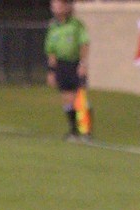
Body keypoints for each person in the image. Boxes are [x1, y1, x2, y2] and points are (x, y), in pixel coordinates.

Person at [44, 0, 90, 141]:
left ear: (66, 7)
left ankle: (86, 132)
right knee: (67, 98)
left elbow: (84, 43)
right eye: (53, 5)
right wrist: (52, 70)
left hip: (75, 64)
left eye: (58, 5)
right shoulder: (53, 26)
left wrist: (83, 63)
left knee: (80, 98)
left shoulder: (76, 25)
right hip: (61, 65)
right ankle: (73, 131)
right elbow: (50, 50)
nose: (55, 8)